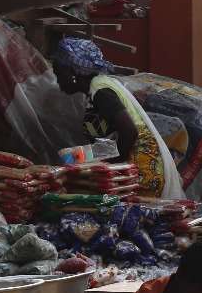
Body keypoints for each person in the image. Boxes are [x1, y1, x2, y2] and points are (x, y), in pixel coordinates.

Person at [52, 37, 184, 198]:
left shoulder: (101, 91)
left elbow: (129, 131)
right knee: (69, 158)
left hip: (141, 170)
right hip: (138, 167)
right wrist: (79, 157)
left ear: (73, 72)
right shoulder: (99, 86)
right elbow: (112, 139)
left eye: (58, 73)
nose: (57, 80)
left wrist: (112, 167)